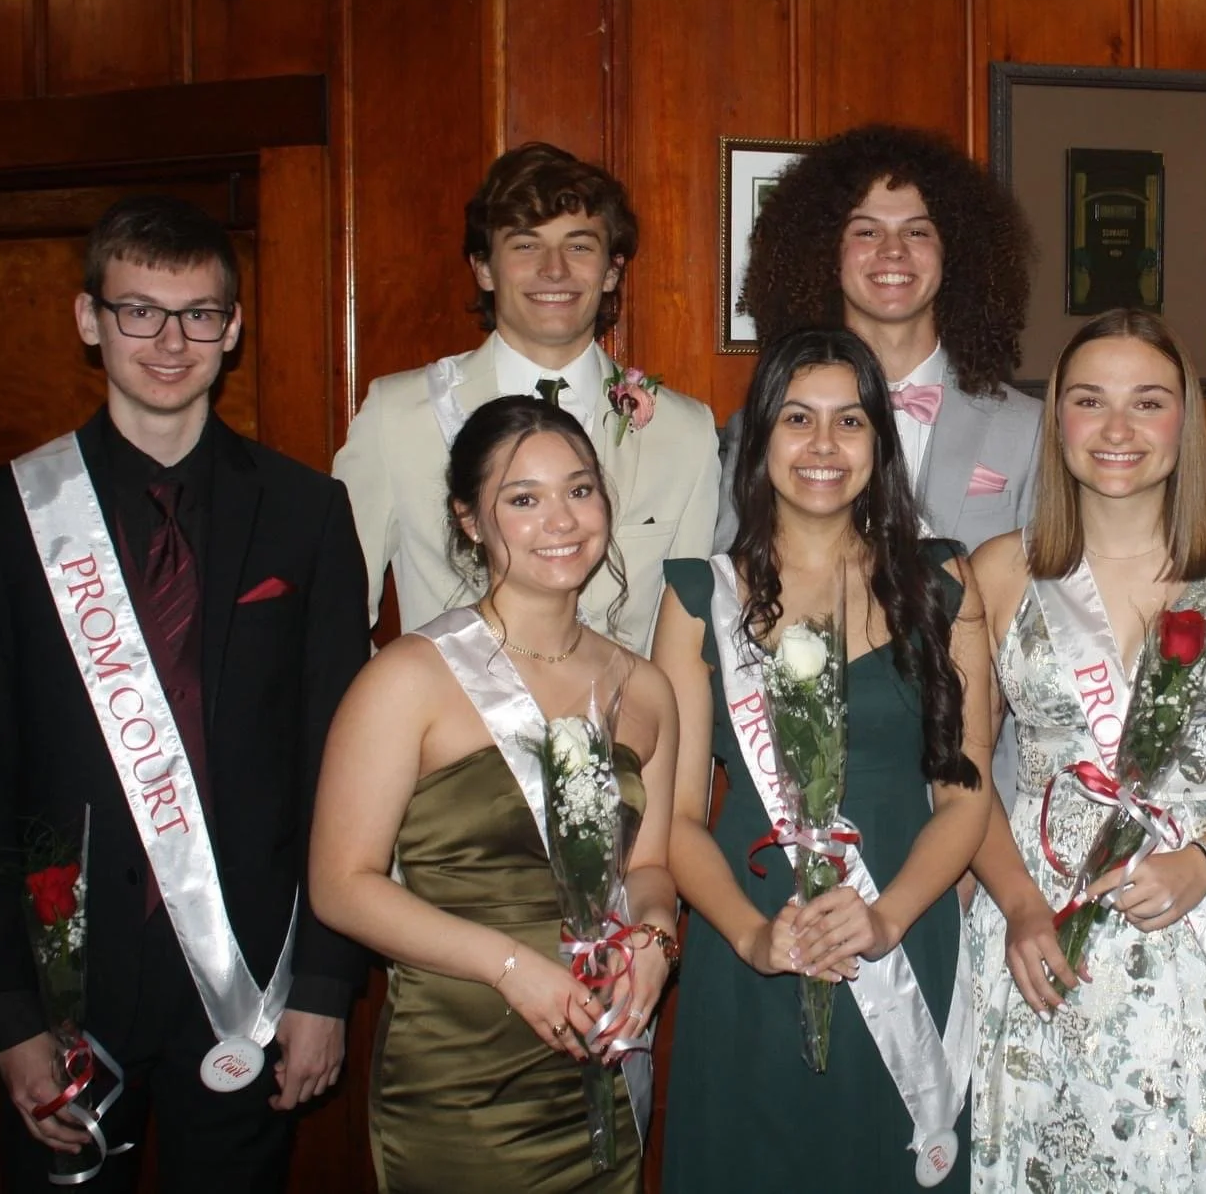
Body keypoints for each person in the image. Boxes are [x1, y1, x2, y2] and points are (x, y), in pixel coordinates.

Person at [0, 195, 371, 1191]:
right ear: (89, 319)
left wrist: (323, 986)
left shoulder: (307, 513)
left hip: (251, 985)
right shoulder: (7, 516)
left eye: (199, 314)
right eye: (140, 310)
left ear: (234, 327)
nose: (170, 341)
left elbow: (337, 774)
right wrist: (4, 1013)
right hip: (65, 985)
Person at [966, 308, 1206, 1192]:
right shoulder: (995, 573)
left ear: (1185, 419)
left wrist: (1204, 864)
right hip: (1046, 915)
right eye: (1090, 401)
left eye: (1148, 402)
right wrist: (1022, 906)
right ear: (1056, 417)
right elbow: (965, 771)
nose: (1117, 430)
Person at [309, 396, 680, 1192]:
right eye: (523, 497)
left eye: (580, 490)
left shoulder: (644, 686)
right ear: (470, 520)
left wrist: (653, 935)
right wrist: (509, 964)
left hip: (601, 1057)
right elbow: (340, 886)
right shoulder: (408, 678)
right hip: (463, 1075)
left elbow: (650, 866)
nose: (561, 519)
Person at [655, 327, 995, 1192]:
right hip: (755, 948)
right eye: (798, 418)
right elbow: (677, 818)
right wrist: (750, 934)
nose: (822, 445)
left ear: (879, 442)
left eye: (850, 421)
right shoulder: (701, 597)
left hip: (904, 936)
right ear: (759, 438)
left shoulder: (941, 582)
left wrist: (888, 920)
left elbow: (964, 797)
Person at [715, 123, 1041, 796]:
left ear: (956, 251)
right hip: (800, 783)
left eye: (918, 230)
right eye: (865, 230)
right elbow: (732, 606)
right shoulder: (759, 427)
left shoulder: (1029, 428)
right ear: (824, 252)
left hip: (984, 790)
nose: (892, 250)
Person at [335, 142, 719, 651]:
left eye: (579, 246)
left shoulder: (685, 432)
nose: (554, 269)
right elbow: (333, 614)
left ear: (612, 271)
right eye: (525, 245)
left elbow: (688, 641)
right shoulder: (400, 415)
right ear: (484, 269)